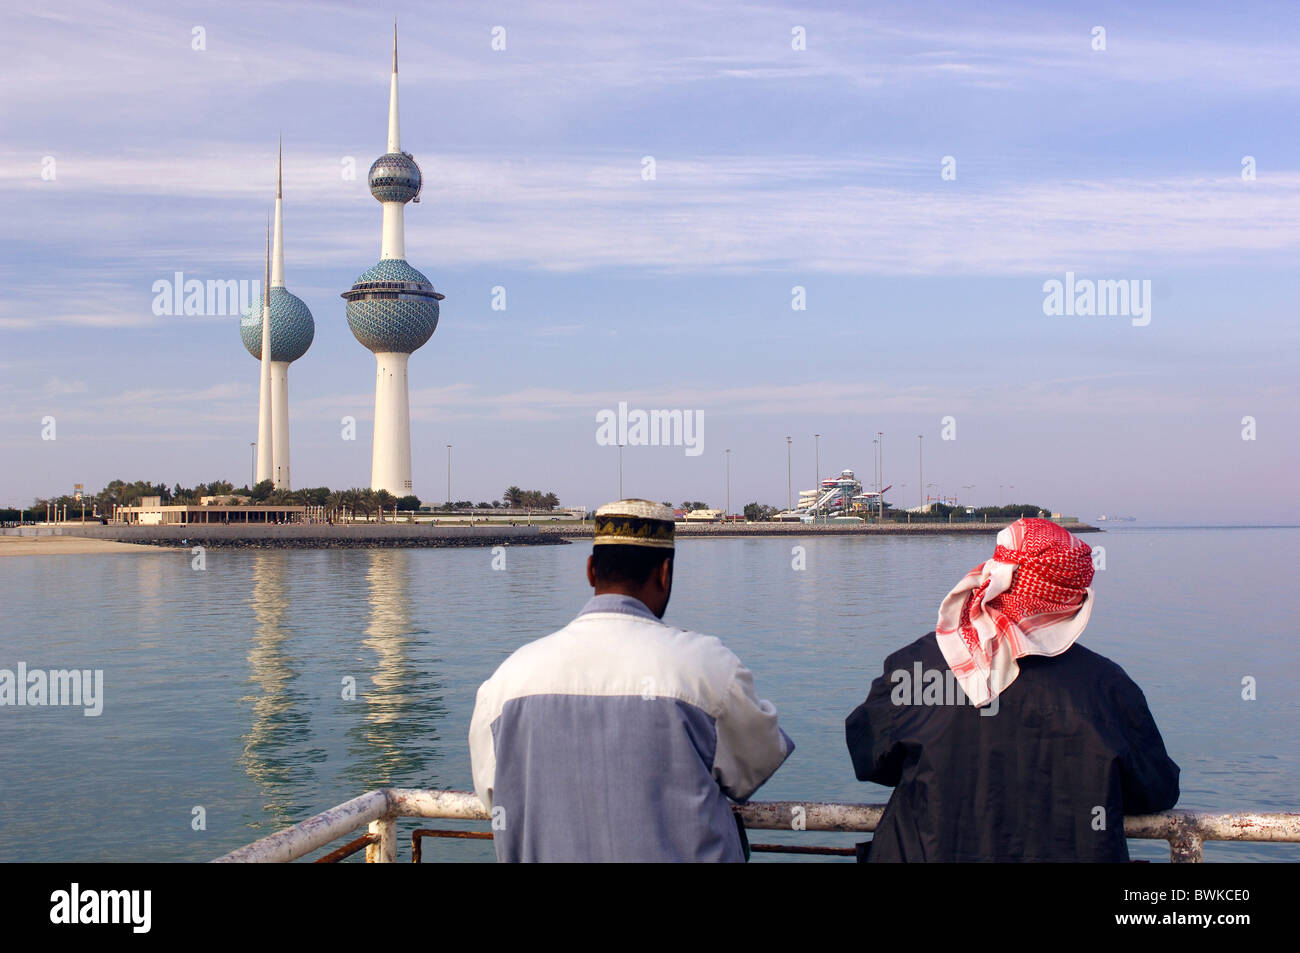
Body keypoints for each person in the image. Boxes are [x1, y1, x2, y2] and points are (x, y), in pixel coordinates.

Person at [470, 499, 794, 862]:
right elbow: (755, 764)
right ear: (665, 573)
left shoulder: (505, 683)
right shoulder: (707, 668)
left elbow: (493, 794)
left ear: (591, 571)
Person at [845, 517, 1179, 862]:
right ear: (1073, 599)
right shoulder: (1109, 687)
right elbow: (1155, 792)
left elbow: (868, 758)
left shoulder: (916, 667)